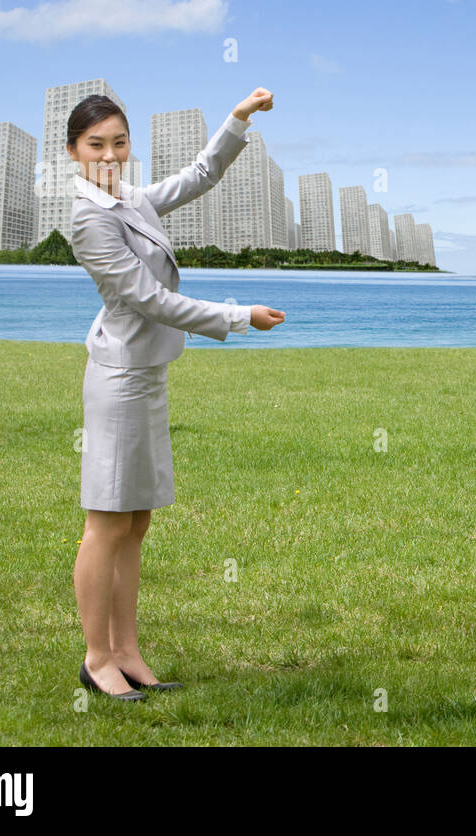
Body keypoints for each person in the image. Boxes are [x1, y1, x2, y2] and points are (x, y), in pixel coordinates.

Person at [68, 87, 286, 701]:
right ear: (73, 152)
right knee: (105, 523)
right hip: (117, 382)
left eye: (118, 143)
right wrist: (238, 315)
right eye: (95, 145)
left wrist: (237, 119)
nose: (109, 155)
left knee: (135, 523)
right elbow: (149, 299)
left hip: (149, 375)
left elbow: (200, 174)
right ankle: (96, 658)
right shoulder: (90, 218)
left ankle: (127, 651)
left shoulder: (130, 198)